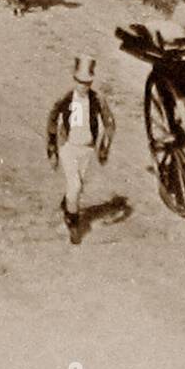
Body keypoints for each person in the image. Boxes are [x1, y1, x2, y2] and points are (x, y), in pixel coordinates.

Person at [46, 57, 116, 245]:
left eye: (87, 82)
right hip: (68, 147)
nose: (83, 86)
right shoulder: (67, 99)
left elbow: (110, 124)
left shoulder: (97, 100)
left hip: (87, 149)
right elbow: (52, 120)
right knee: (75, 185)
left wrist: (104, 148)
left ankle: (67, 204)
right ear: (74, 79)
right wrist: (52, 148)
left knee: (78, 186)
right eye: (80, 81)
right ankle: (73, 224)